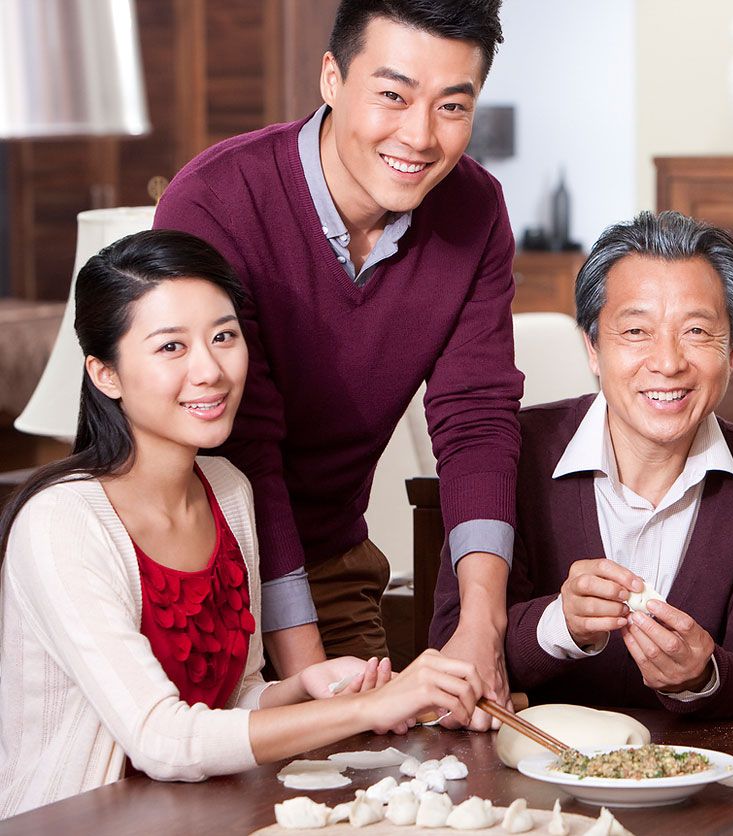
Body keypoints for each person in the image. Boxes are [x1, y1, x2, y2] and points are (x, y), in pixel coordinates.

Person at [0, 231, 486, 817]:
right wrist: (364, 709)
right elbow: (162, 737)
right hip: (79, 822)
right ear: (106, 375)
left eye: (224, 336)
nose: (210, 370)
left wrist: (296, 689)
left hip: (201, 813)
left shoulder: (229, 489)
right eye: (171, 348)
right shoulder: (62, 521)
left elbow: (231, 697)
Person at [152, 0, 521, 721]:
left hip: (329, 561)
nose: (419, 136)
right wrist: (313, 687)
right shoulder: (217, 201)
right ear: (330, 77)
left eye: (452, 105)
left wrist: (481, 628)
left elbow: (475, 417)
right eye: (392, 95)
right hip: (196, 572)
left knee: (389, 785)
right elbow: (244, 443)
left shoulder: (475, 210)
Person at [431, 211, 733, 718]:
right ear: (592, 347)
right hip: (524, 771)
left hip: (701, 785)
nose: (668, 362)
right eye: (636, 331)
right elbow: (452, 651)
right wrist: (559, 624)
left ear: (732, 351)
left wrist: (703, 676)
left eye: (697, 331)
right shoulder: (512, 453)